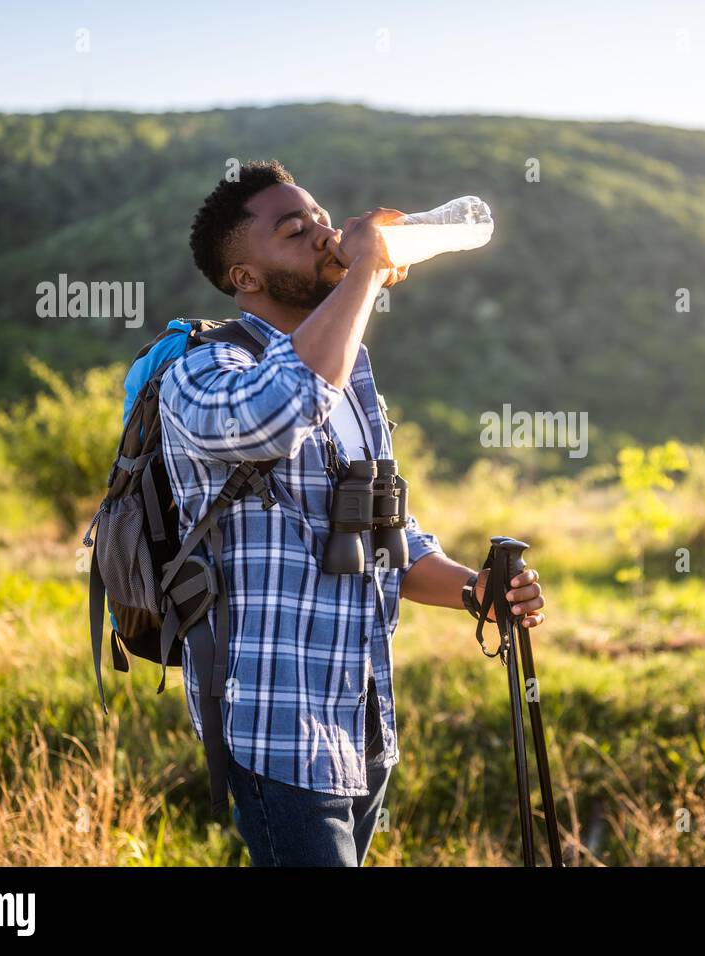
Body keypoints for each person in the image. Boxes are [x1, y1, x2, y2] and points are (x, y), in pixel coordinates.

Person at [159, 159, 547, 866]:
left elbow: (389, 541)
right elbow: (278, 413)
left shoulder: (353, 379)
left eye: (320, 218)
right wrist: (366, 273)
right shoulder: (204, 373)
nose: (325, 235)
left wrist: (474, 589)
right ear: (245, 276)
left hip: (360, 723)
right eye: (293, 229)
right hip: (273, 728)